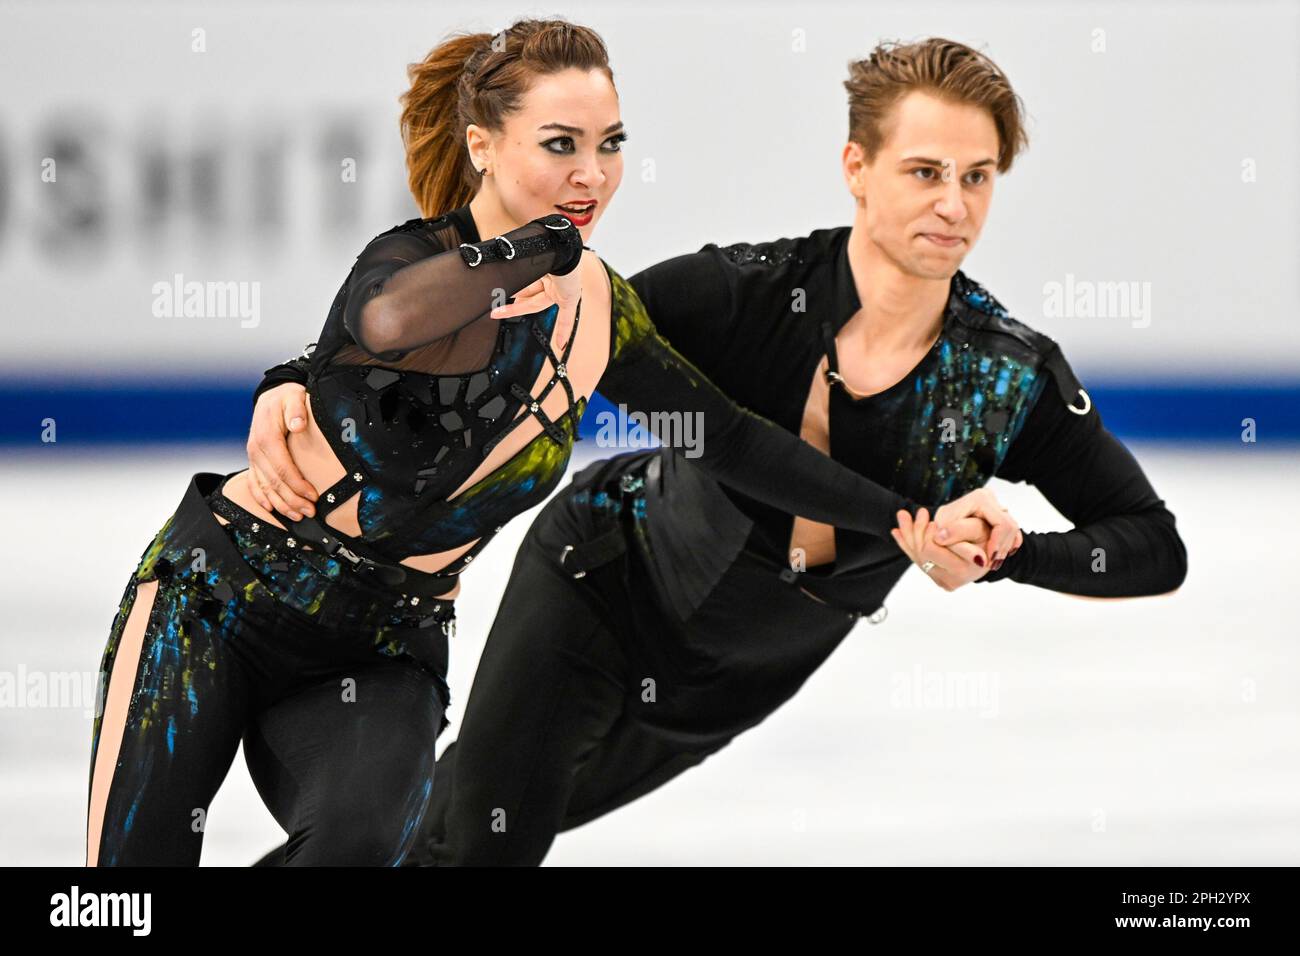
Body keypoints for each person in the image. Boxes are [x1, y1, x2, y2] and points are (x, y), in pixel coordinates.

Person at [86, 21, 1012, 868]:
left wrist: (903, 518)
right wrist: (529, 253)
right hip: (220, 600)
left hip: (382, 646)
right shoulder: (414, 260)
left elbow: (727, 439)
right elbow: (384, 319)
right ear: (483, 146)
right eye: (560, 146)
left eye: (610, 147)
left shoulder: (603, 312)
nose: (593, 175)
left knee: (365, 850)